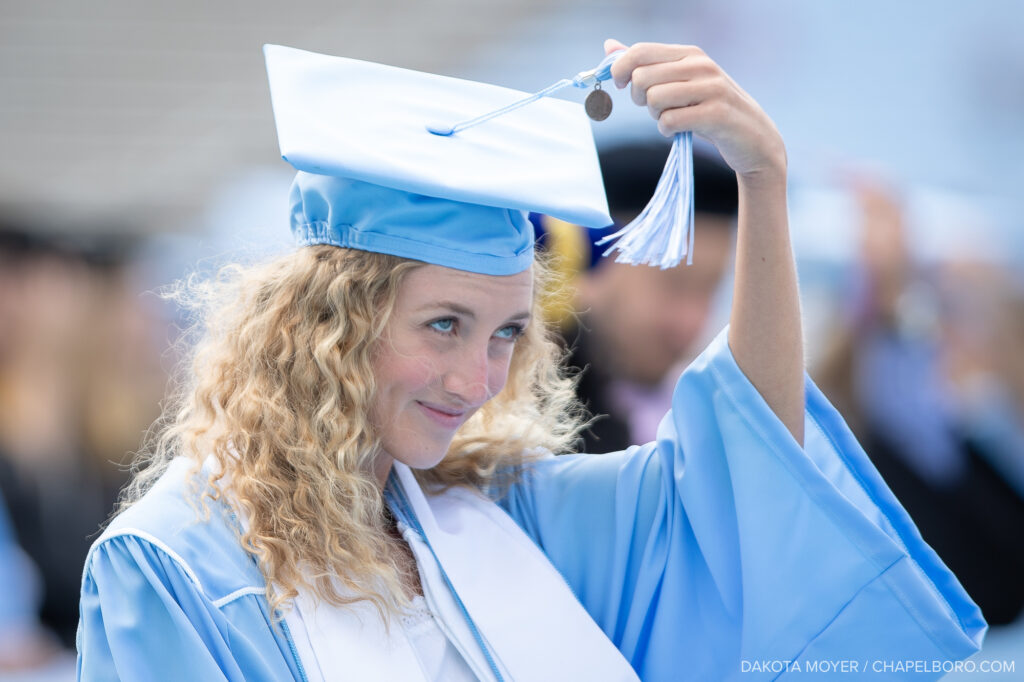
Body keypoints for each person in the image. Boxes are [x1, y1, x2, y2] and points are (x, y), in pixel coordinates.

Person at [77, 40, 984, 681]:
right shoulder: (178, 566)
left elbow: (747, 473)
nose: (478, 380)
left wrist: (764, 179)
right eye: (444, 325)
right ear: (328, 323)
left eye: (508, 332)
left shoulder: (505, 518)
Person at [534, 143, 738, 452]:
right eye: (674, 283)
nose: (691, 323)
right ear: (584, 255)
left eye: (711, 290)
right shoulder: (507, 422)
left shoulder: (697, 421)